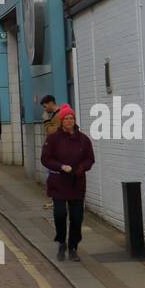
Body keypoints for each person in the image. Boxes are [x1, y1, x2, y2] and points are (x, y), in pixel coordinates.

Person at [40, 104, 95, 262]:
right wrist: (60, 166)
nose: (69, 121)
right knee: (60, 214)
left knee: (77, 218)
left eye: (72, 118)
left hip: (76, 183)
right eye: (66, 118)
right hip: (59, 183)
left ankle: (73, 247)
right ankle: (61, 241)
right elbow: (45, 158)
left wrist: (81, 168)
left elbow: (90, 158)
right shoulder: (53, 139)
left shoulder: (83, 140)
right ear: (61, 120)